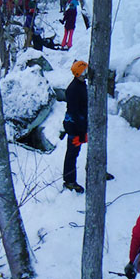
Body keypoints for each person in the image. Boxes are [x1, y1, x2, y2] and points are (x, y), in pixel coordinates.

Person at [62, 60, 89, 192]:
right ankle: (69, 181)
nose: (86, 73)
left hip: (81, 124)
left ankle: (93, 169)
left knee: (74, 152)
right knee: (72, 153)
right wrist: (81, 131)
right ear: (78, 73)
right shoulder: (73, 89)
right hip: (75, 126)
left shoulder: (82, 84)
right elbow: (74, 112)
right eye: (84, 71)